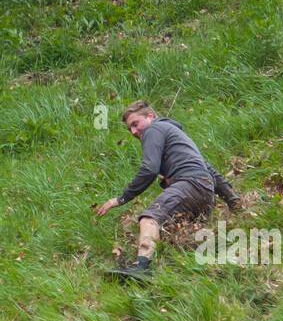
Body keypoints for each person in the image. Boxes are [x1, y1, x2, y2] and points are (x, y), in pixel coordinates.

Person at [94, 100, 239, 280]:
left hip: (189, 185)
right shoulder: (177, 135)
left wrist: (119, 199)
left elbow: (149, 169)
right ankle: (175, 276)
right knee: (170, 234)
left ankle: (141, 269)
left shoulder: (153, 129)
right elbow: (209, 171)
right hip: (205, 193)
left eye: (135, 124)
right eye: (129, 129)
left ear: (150, 116)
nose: (133, 132)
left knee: (149, 219)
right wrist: (235, 203)